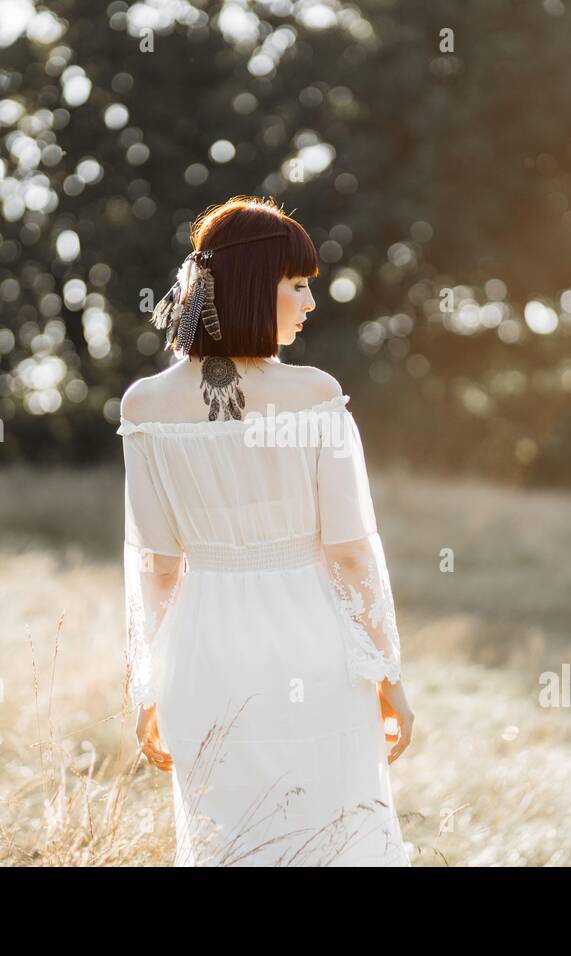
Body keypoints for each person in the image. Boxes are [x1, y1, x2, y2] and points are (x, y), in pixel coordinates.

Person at [117, 195, 414, 866]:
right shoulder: (315, 395)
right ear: (257, 287)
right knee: (335, 841)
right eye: (298, 285)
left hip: (203, 654)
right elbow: (348, 551)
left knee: (231, 844)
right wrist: (388, 673)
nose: (310, 304)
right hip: (313, 642)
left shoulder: (145, 405)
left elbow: (156, 565)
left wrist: (150, 685)